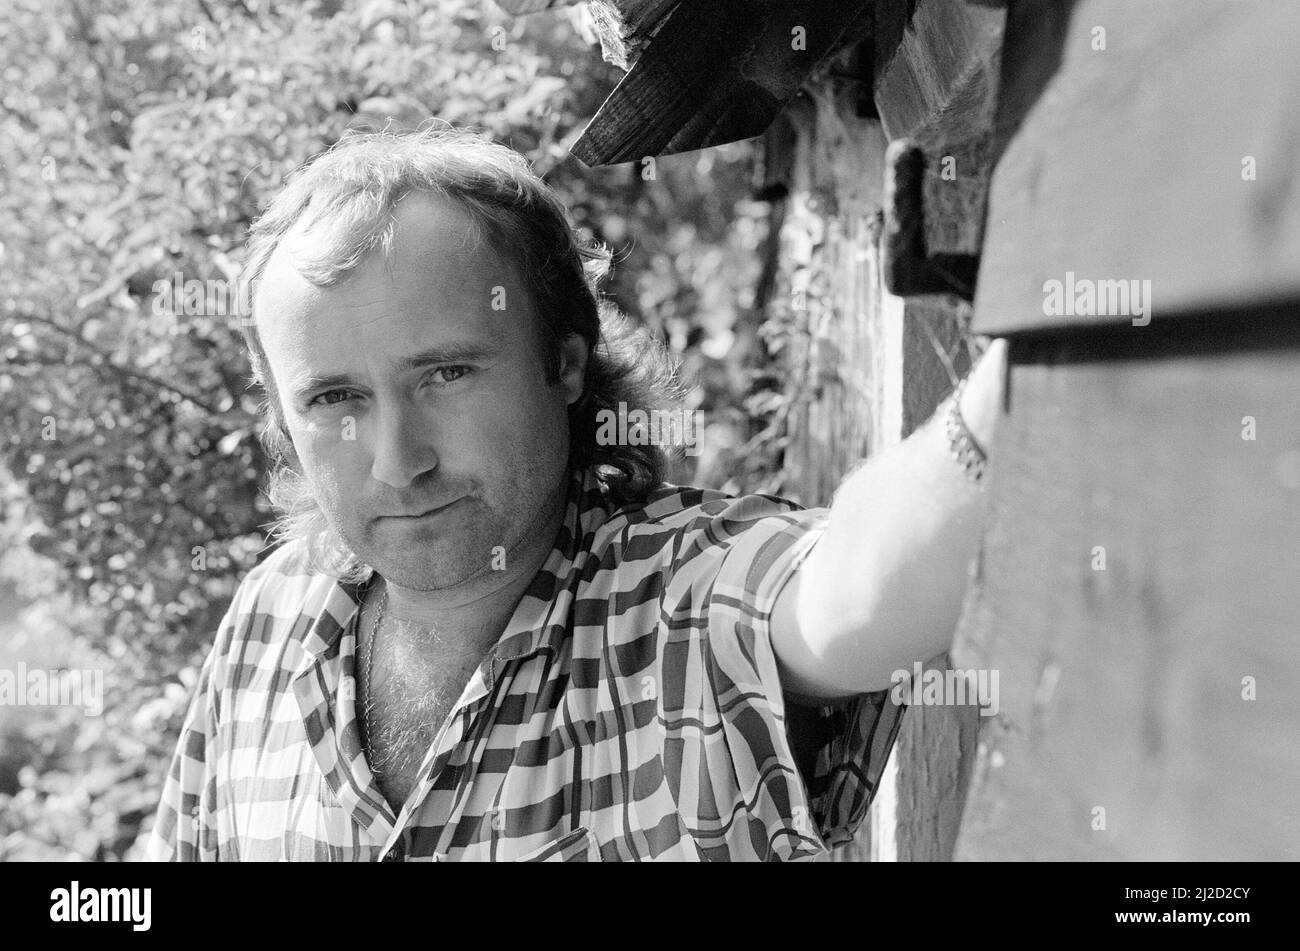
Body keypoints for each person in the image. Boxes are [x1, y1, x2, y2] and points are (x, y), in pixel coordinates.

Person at [144, 126, 1006, 862]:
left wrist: (1042, 358)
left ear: (564, 362)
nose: (396, 460)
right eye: (335, 399)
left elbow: (860, 588)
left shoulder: (679, 604)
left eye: (446, 373)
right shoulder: (268, 622)